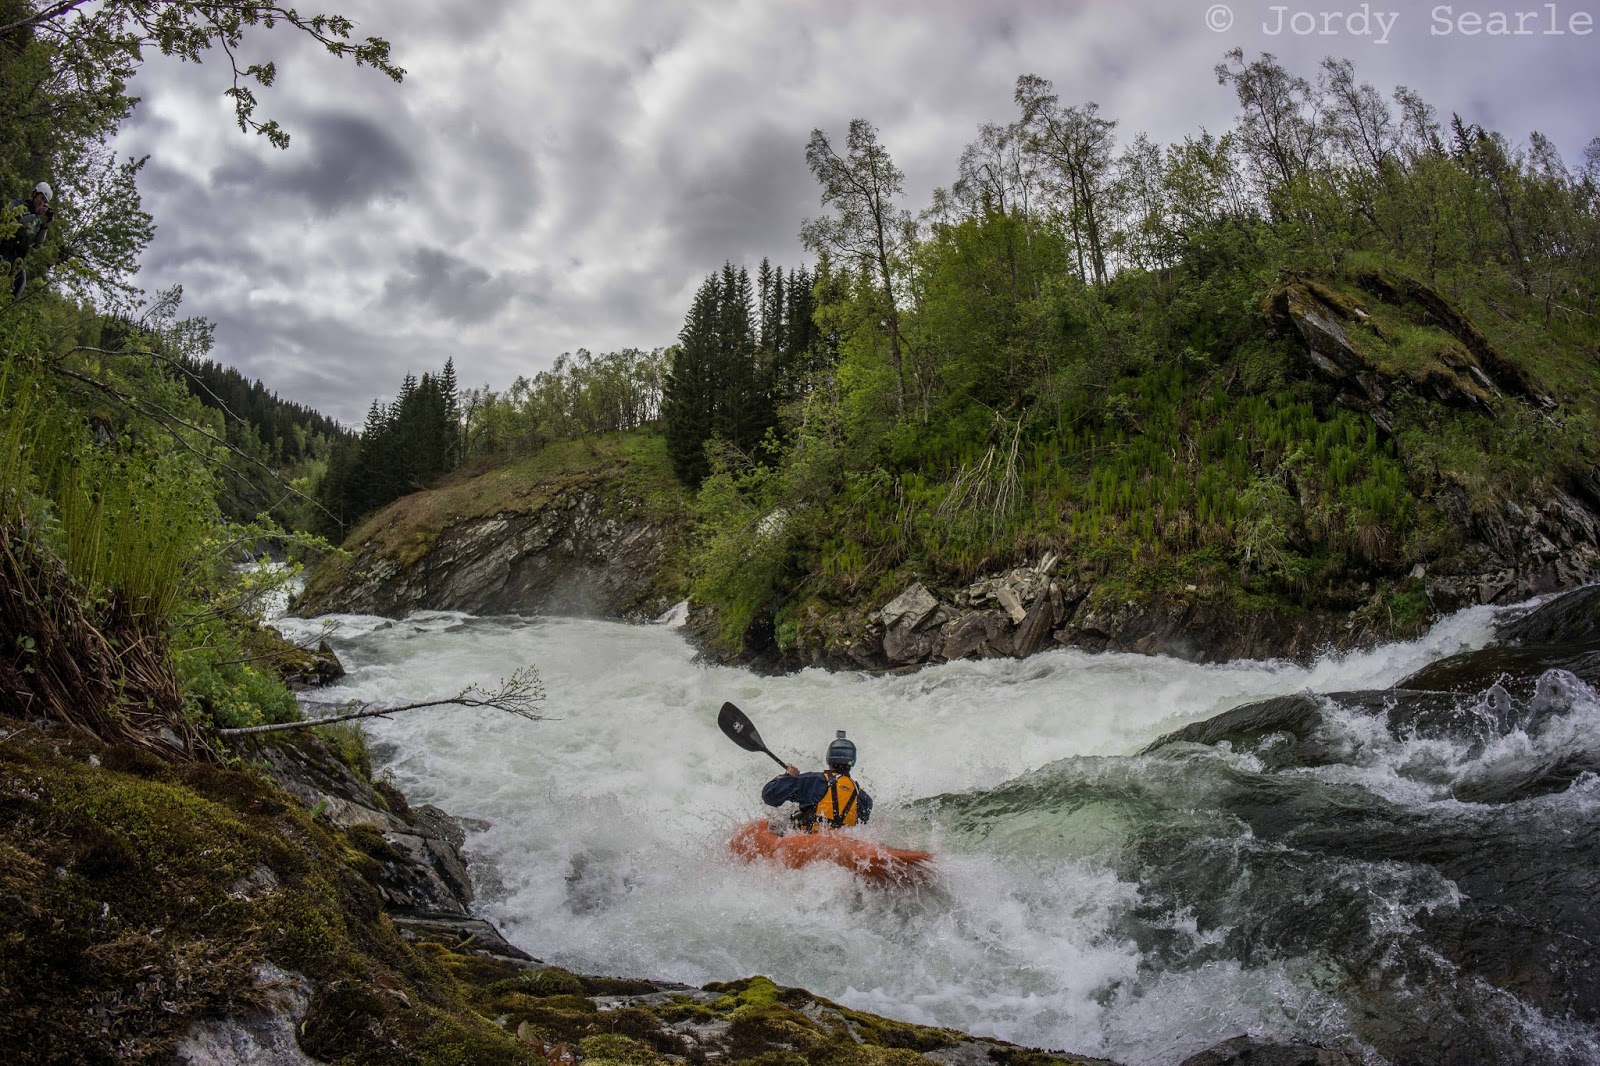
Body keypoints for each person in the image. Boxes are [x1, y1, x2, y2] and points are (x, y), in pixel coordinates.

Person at [761, 730, 873, 832]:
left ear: (829, 758)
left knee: (773, 825)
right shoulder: (863, 798)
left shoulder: (813, 781)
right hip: (840, 844)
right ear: (853, 762)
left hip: (807, 840)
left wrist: (787, 776)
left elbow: (769, 795)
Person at [5, 181, 54, 297]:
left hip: (17, 258)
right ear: (34, 194)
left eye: (45, 202)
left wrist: (45, 227)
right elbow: (14, 221)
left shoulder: (37, 221)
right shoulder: (19, 204)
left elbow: (37, 244)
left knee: (20, 283)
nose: (42, 203)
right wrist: (35, 213)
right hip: (4, 248)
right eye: (41, 199)